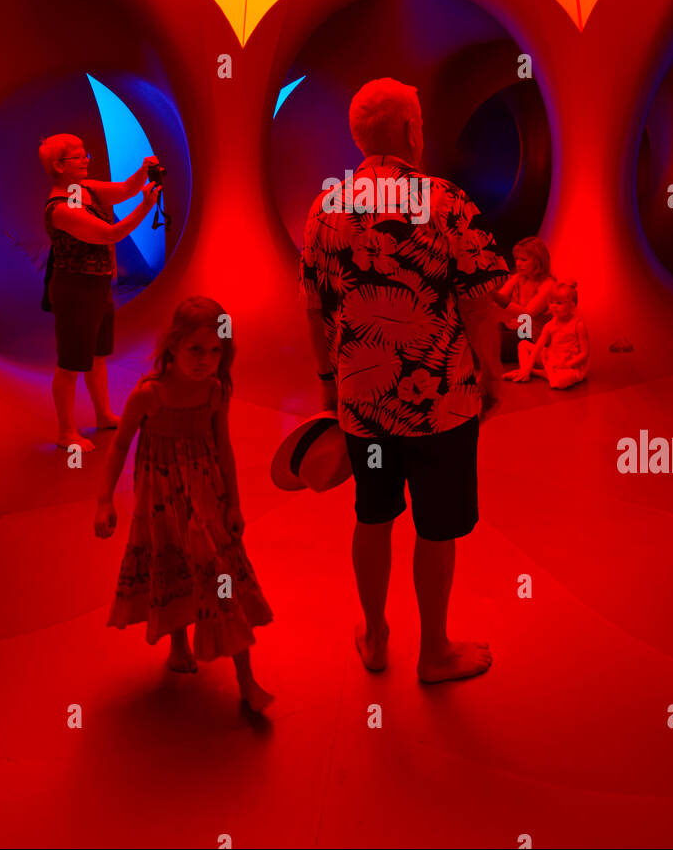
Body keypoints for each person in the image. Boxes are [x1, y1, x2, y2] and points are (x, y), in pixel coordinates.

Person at [299, 78, 511, 685]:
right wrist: (492, 374)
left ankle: (374, 634)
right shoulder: (446, 201)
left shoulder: (324, 207)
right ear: (412, 130)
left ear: (358, 137)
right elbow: (478, 303)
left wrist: (327, 379)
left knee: (372, 514)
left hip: (363, 403)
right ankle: (434, 651)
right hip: (441, 403)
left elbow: (314, 307)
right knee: (437, 526)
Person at [94, 297, 273, 712]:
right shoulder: (149, 395)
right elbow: (119, 446)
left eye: (215, 351)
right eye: (195, 349)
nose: (205, 360)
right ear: (172, 345)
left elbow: (224, 447)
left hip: (206, 498)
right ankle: (178, 644)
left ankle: (246, 679)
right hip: (159, 499)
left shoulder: (215, 391)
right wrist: (105, 500)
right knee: (172, 561)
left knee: (220, 574)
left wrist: (234, 504)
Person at [40, 134, 161, 451]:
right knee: (70, 365)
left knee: (97, 357)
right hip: (75, 290)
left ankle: (103, 414)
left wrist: (143, 170)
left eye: (85, 153)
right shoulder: (61, 208)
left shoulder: (85, 190)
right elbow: (110, 233)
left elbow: (124, 190)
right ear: (58, 166)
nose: (86, 160)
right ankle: (66, 432)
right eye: (77, 156)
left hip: (97, 286)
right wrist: (146, 206)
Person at [495, 236, 556, 381]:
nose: (518, 263)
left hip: (534, 338)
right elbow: (498, 299)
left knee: (490, 343)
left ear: (538, 261)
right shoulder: (518, 278)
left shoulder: (548, 284)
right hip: (518, 330)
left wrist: (495, 297)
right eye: (517, 259)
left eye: (523, 260)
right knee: (483, 332)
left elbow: (528, 313)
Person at [514, 280, 589, 389]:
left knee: (559, 382)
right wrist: (528, 367)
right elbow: (538, 347)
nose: (554, 306)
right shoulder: (549, 325)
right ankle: (525, 372)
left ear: (572, 305)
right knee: (523, 344)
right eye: (551, 302)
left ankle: (537, 372)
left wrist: (566, 365)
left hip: (570, 364)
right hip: (553, 357)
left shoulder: (578, 325)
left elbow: (584, 354)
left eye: (559, 303)